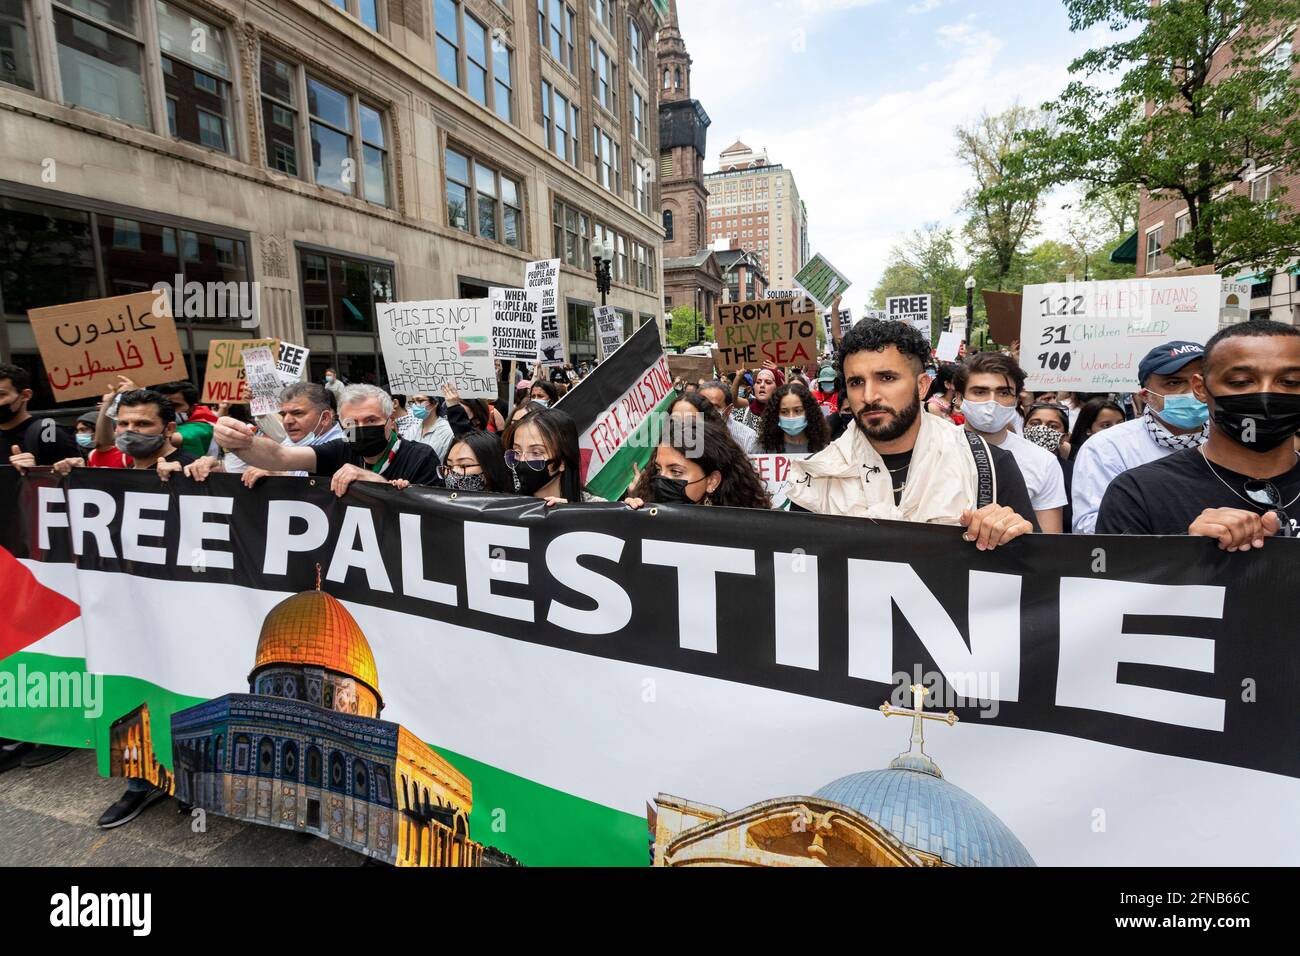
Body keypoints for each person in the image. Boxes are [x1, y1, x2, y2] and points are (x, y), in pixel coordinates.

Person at [785, 320, 1038, 549]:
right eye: (856, 382)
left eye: (886, 377)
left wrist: (1011, 532)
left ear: (922, 386)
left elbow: (1034, 577)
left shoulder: (989, 465)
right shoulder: (819, 474)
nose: (869, 396)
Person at [1097, 320, 1300, 546]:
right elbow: (1109, 577)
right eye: (1241, 382)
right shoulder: (1137, 492)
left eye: (1290, 382)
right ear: (1201, 389)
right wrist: (1189, 553)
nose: (1265, 396)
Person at [1071, 340, 1208, 533]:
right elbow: (1091, 527)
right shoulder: (1107, 448)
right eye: (1174, 382)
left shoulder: (1234, 442)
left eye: (1202, 379)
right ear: (1146, 395)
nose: (1193, 391)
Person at [210, 383, 439, 495]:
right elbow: (281, 456)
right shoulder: (341, 449)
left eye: (370, 421)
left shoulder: (421, 456)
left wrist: (369, 479)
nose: (359, 428)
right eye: (350, 423)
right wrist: (241, 442)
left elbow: (433, 513)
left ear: (391, 422)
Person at [953, 354, 1067, 533]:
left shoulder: (1043, 461)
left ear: (1016, 400)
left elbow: (1050, 542)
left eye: (1004, 392)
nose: (992, 401)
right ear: (959, 398)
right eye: (980, 392)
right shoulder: (934, 449)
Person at [624, 417, 772, 509]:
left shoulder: (748, 530)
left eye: (675, 472)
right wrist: (629, 518)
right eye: (658, 469)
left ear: (712, 481)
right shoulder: (647, 514)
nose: (662, 479)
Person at [502, 406, 600, 504]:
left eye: (536, 453)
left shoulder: (596, 510)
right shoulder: (503, 507)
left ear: (562, 462)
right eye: (517, 452)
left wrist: (571, 514)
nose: (522, 460)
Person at [1, 363, 80, 470]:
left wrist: (37, 472)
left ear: (25, 395)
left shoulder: (49, 433)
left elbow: (78, 480)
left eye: (1, 395)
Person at [758, 383, 832, 455]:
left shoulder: (823, 451)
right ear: (775, 414)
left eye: (797, 411)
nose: (791, 417)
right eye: (784, 412)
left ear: (809, 412)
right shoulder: (763, 450)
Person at [156, 381, 217, 458]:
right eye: (162, 405)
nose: (167, 410)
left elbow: (171, 438)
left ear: (193, 408)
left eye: (175, 405)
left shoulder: (205, 426)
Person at [698, 380, 759, 454]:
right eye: (702, 405)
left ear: (729, 409)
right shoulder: (688, 433)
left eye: (714, 407)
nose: (706, 410)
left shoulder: (748, 438)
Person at [438, 430, 512, 492]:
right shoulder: (437, 506)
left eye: (464, 465)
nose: (452, 473)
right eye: (449, 466)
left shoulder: (510, 507)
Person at [1066, 397, 1125, 462]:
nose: (1115, 429)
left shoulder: (1129, 451)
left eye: (1120, 423)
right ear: (1088, 430)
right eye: (1106, 425)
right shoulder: (1077, 457)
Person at [410, 392, 454, 461]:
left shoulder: (447, 431)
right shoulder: (413, 427)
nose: (415, 405)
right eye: (413, 401)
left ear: (435, 403)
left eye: (420, 401)